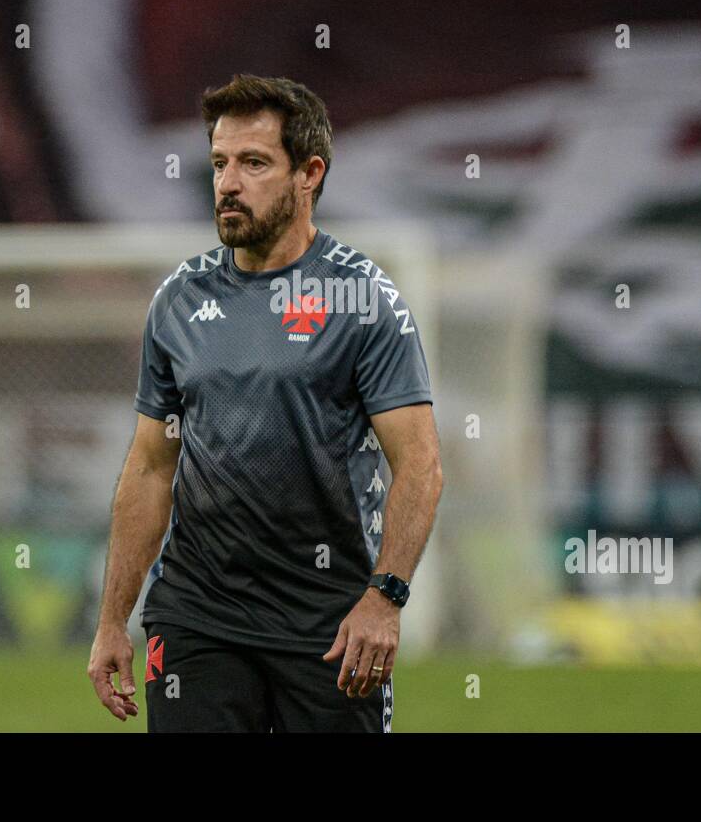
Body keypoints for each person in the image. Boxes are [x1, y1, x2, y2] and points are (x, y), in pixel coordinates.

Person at [88, 74, 442, 732]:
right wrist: (113, 621)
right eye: (219, 162)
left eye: (253, 163)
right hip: (197, 615)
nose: (226, 183)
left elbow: (419, 466)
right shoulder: (179, 303)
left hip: (331, 625)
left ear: (309, 173)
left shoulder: (363, 302)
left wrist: (385, 598)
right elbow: (149, 468)